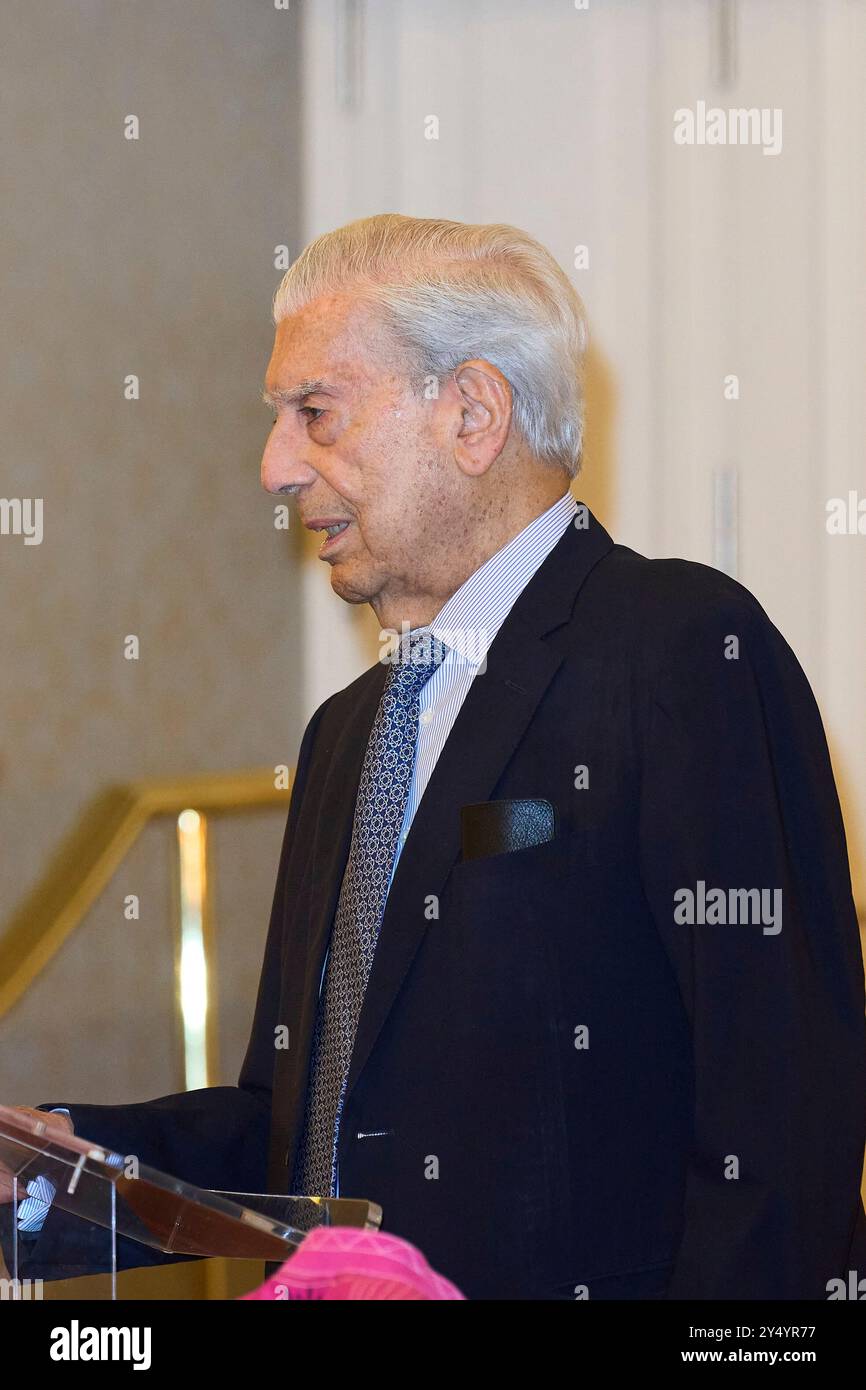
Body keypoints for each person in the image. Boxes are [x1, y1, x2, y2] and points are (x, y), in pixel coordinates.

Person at [3, 215, 864, 1299]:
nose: (273, 467)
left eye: (314, 413)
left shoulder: (679, 648)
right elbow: (301, 1136)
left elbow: (782, 1117)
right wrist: (48, 1165)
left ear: (470, 413)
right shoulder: (347, 733)